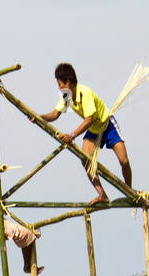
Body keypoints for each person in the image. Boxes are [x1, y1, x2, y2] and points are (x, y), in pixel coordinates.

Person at [33, 63, 132, 205]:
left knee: (124, 161)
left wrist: (71, 135)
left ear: (68, 81)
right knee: (85, 160)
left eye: (60, 84)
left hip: (106, 125)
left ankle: (130, 191)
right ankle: (102, 195)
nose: (59, 87)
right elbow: (55, 114)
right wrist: (39, 117)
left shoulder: (84, 93)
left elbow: (89, 119)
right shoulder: (67, 96)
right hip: (93, 131)